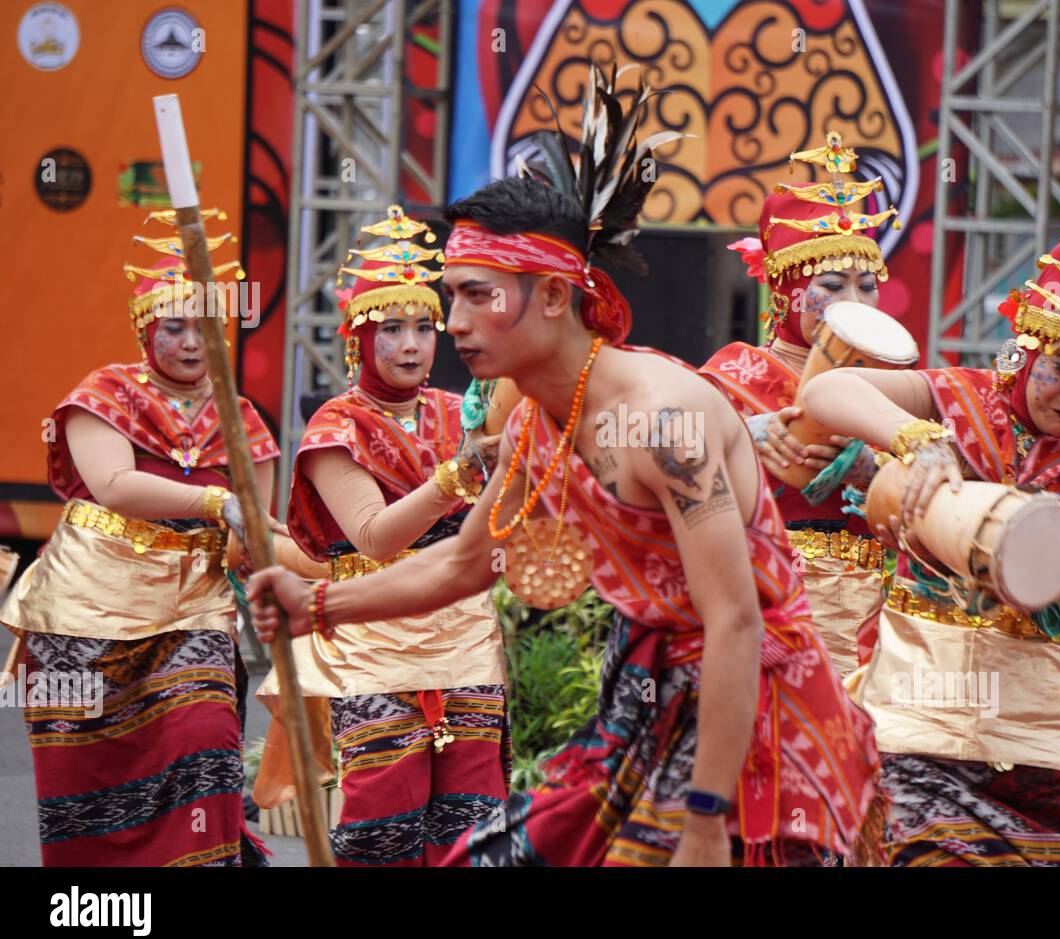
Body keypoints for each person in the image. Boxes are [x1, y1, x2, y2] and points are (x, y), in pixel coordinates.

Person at [249, 65, 878, 867]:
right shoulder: (542, 422)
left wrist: (705, 823)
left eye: (479, 295)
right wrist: (317, 605)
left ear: (552, 297)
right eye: (456, 296)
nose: (456, 322)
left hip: (754, 716)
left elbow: (736, 622)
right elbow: (466, 563)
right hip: (643, 701)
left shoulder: (663, 422)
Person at [802, 217, 1060, 866]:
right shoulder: (960, 402)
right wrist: (917, 442)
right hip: (917, 707)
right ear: (1027, 347)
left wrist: (974, 524)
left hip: (1044, 738)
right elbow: (828, 388)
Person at [0, 216, 277, 866]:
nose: (188, 342)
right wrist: (217, 502)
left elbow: (254, 535)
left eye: (201, 326)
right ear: (146, 329)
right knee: (86, 799)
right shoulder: (105, 395)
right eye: (172, 326)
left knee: (206, 743)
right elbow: (116, 486)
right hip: (81, 614)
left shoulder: (241, 422)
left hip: (190, 611)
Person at [254, 206, 510, 866]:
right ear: (357, 340)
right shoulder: (338, 427)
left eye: (424, 327)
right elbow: (373, 538)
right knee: (382, 824)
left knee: (471, 825)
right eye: (390, 328)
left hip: (464, 631)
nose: (411, 344)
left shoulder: (462, 411)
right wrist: (461, 473)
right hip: (375, 633)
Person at [700, 133, 906, 675]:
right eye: (834, 285)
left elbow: (942, 496)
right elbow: (660, 474)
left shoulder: (897, 383)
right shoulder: (735, 373)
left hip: (882, 616)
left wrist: (872, 473)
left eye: (869, 286)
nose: (856, 305)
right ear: (786, 291)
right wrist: (743, 438)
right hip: (766, 600)